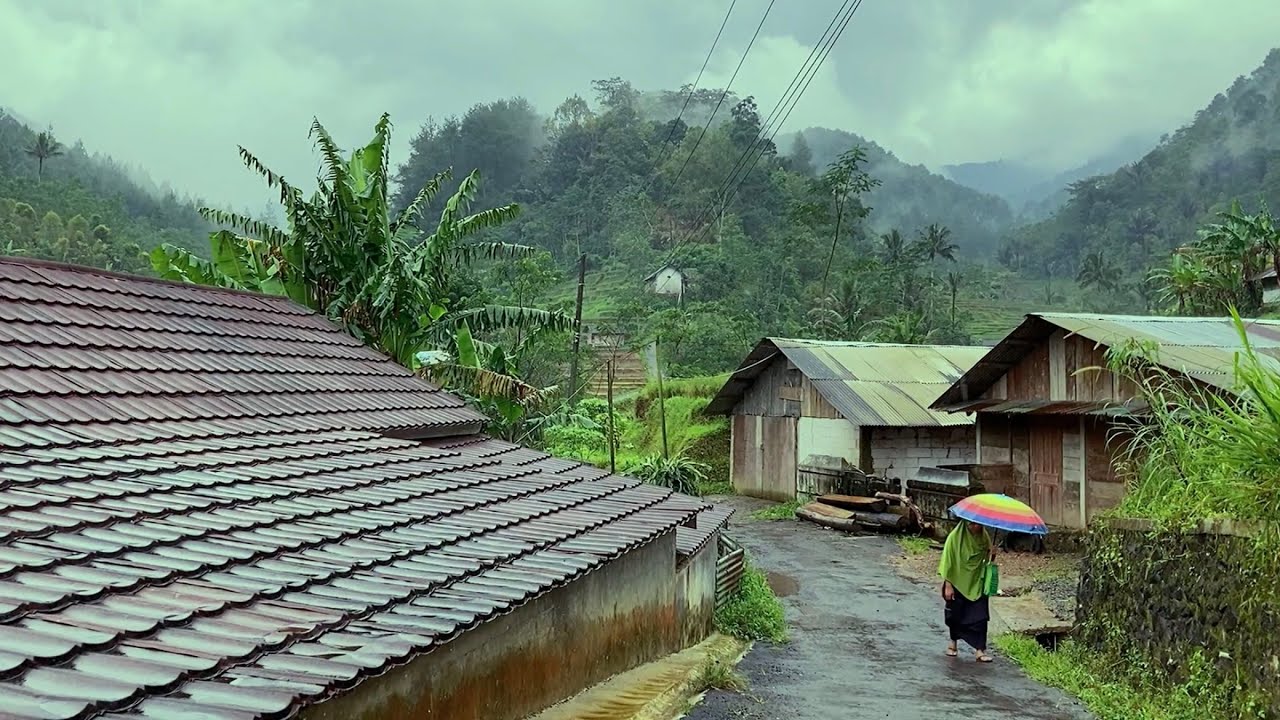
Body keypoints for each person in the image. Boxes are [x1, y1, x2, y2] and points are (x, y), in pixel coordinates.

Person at [938, 519, 995, 662]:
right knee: (955, 615)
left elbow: (987, 559)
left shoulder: (984, 537)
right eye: (972, 524)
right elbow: (947, 561)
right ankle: (953, 643)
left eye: (979, 524)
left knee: (981, 617)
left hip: (977, 581)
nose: (976, 527)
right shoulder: (954, 538)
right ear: (965, 524)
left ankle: (980, 650)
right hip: (957, 581)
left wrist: (992, 553)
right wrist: (949, 585)